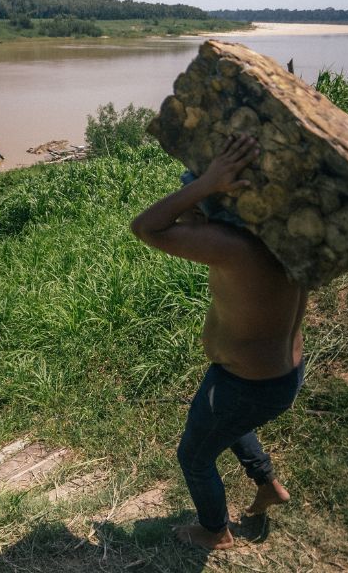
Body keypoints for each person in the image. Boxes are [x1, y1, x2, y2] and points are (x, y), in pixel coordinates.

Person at [130, 134, 307, 551]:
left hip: (248, 383)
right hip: (279, 375)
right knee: (226, 423)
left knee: (194, 456)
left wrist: (206, 183)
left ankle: (215, 531)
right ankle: (268, 485)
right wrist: (205, 196)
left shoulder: (236, 247)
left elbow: (145, 226)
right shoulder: (288, 235)